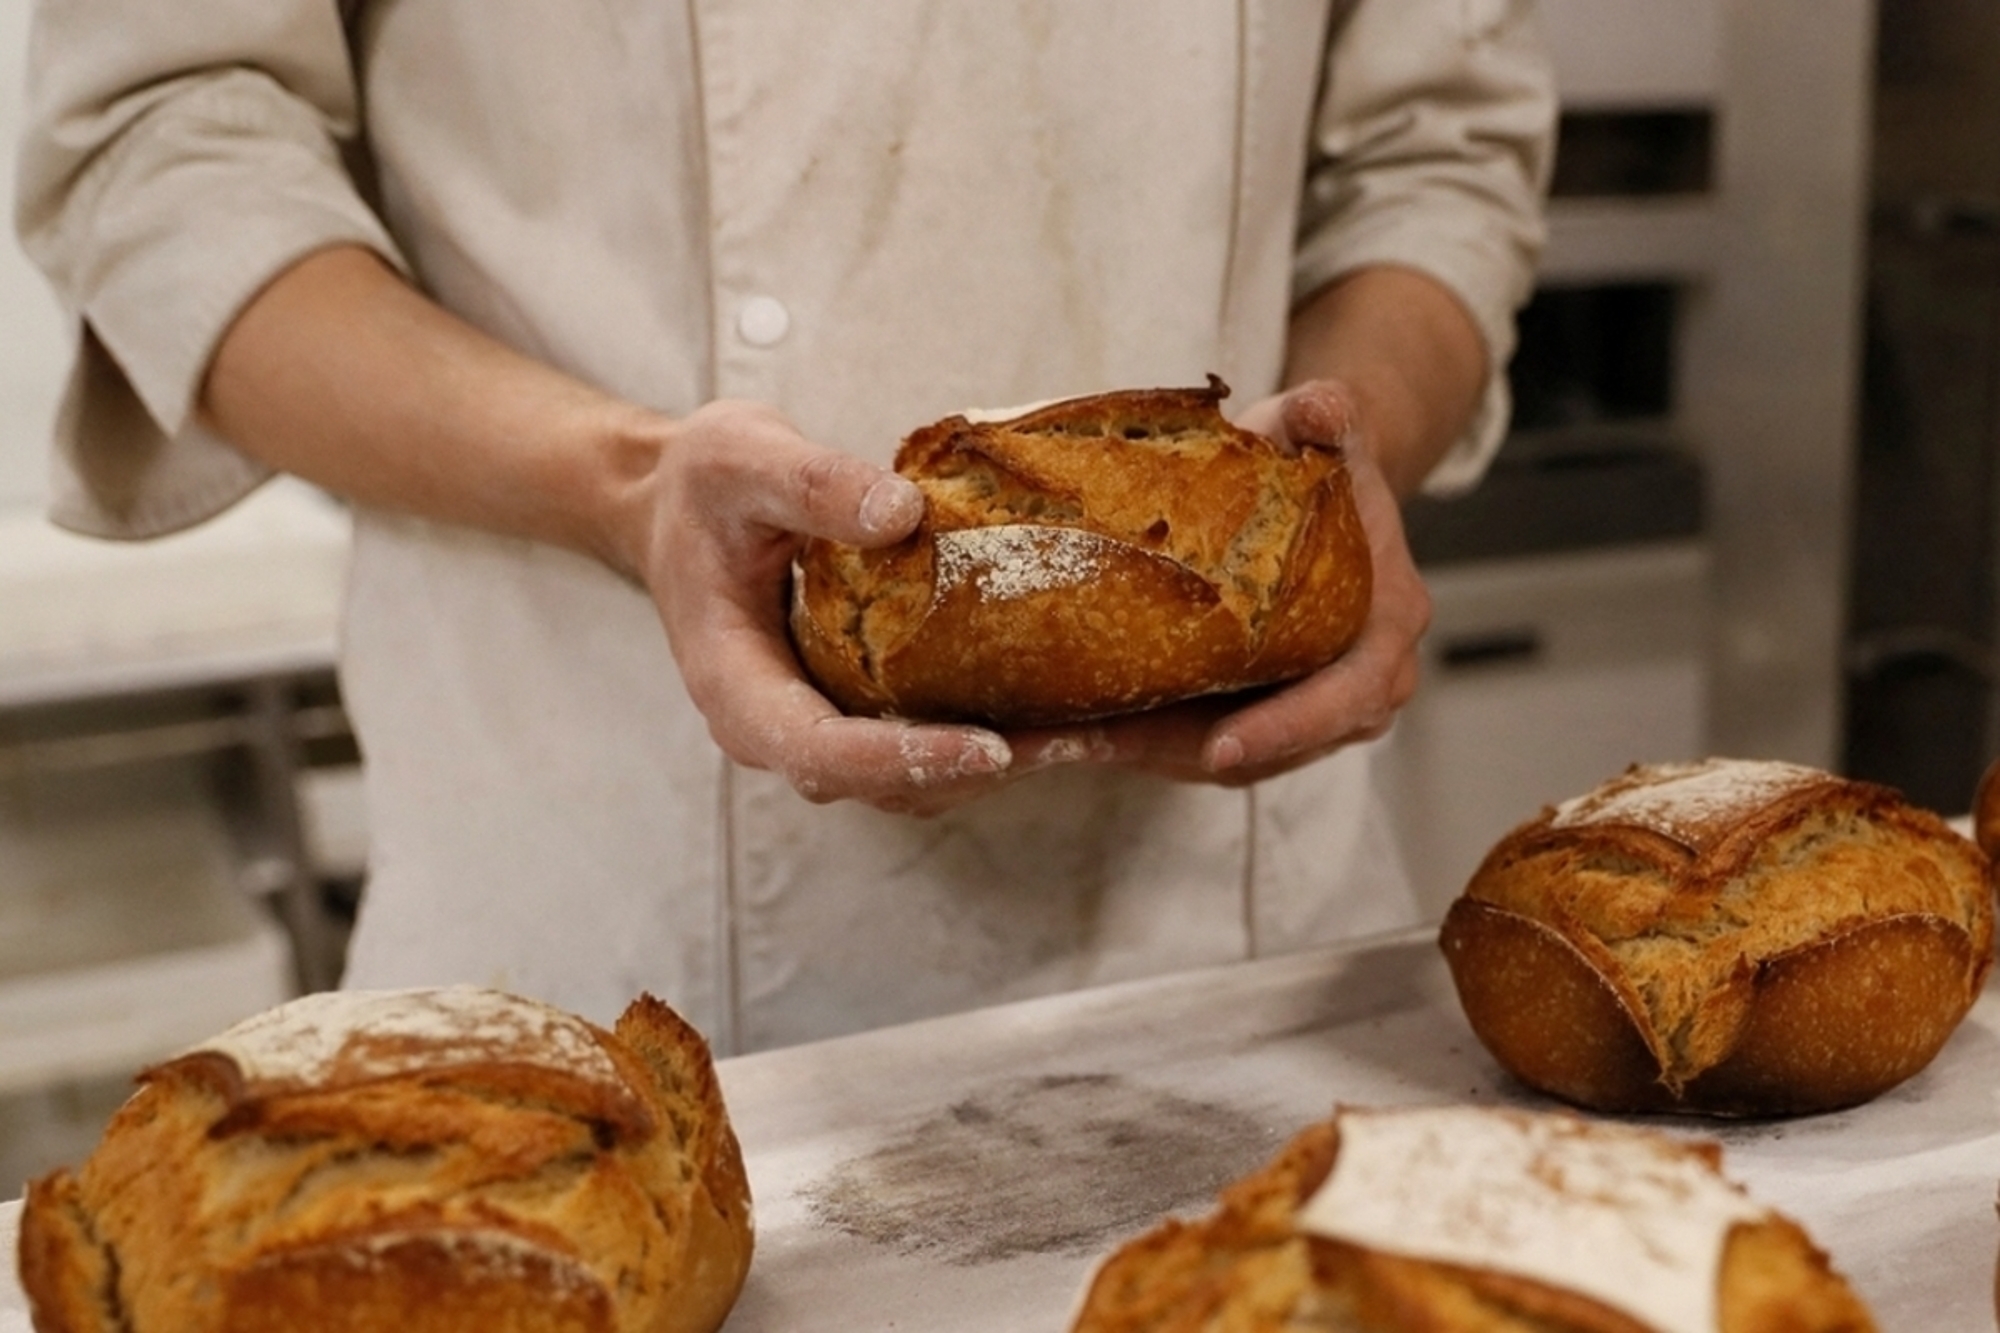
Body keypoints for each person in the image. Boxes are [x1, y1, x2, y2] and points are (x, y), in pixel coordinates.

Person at [14, 2, 1555, 1054]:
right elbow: (161, 148)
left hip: (1238, 927)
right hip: (607, 913)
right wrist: (625, 484)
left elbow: (1440, 153)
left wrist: (1349, 462)